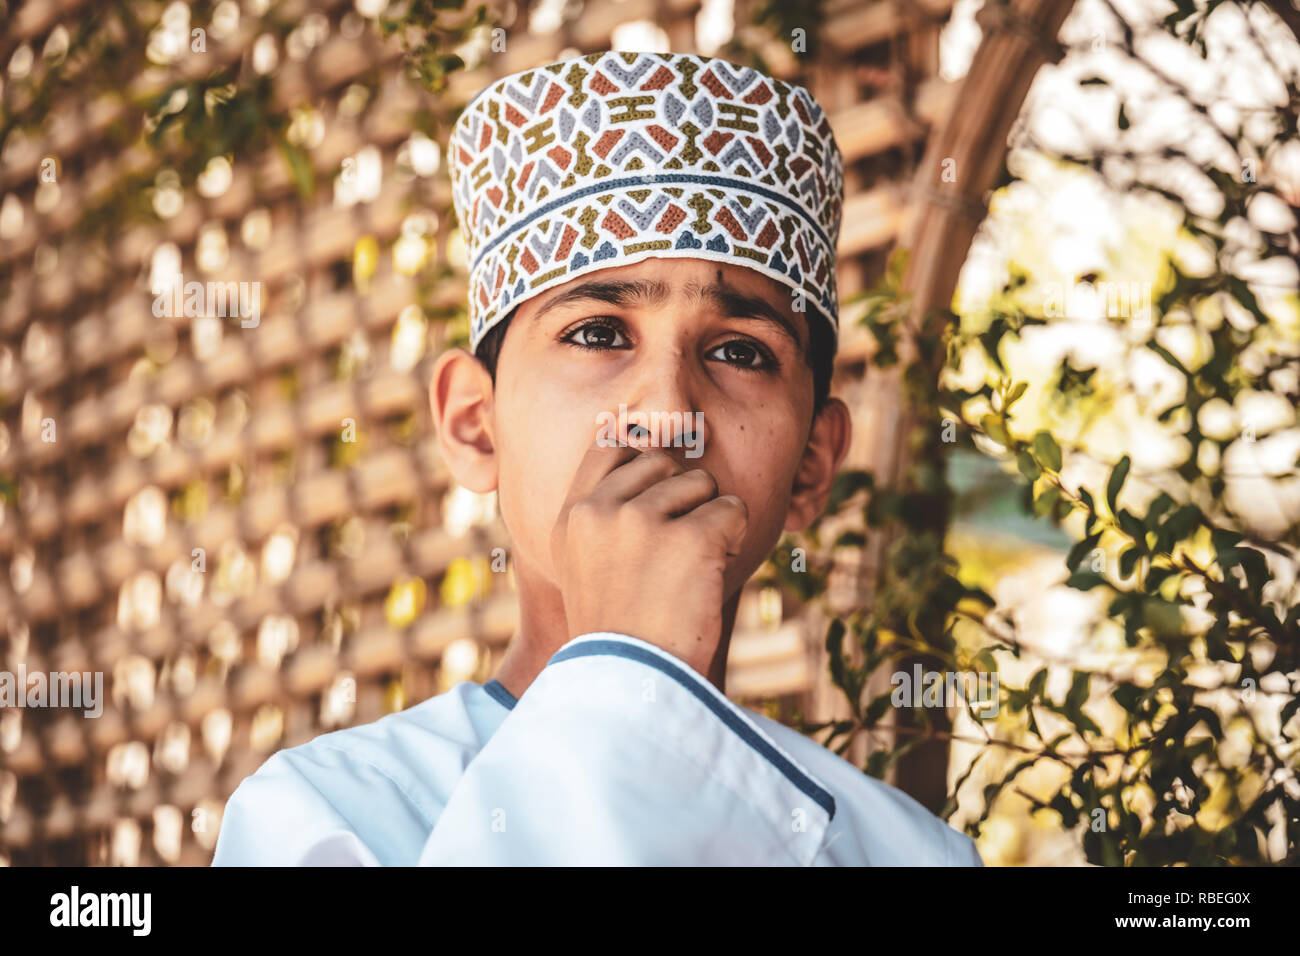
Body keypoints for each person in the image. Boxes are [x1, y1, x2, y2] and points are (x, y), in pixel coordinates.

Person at [211, 50, 984, 866]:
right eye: (598, 334)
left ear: (812, 466)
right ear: (477, 425)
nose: (666, 414)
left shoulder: (904, 854)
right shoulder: (326, 817)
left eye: (741, 352)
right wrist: (624, 680)